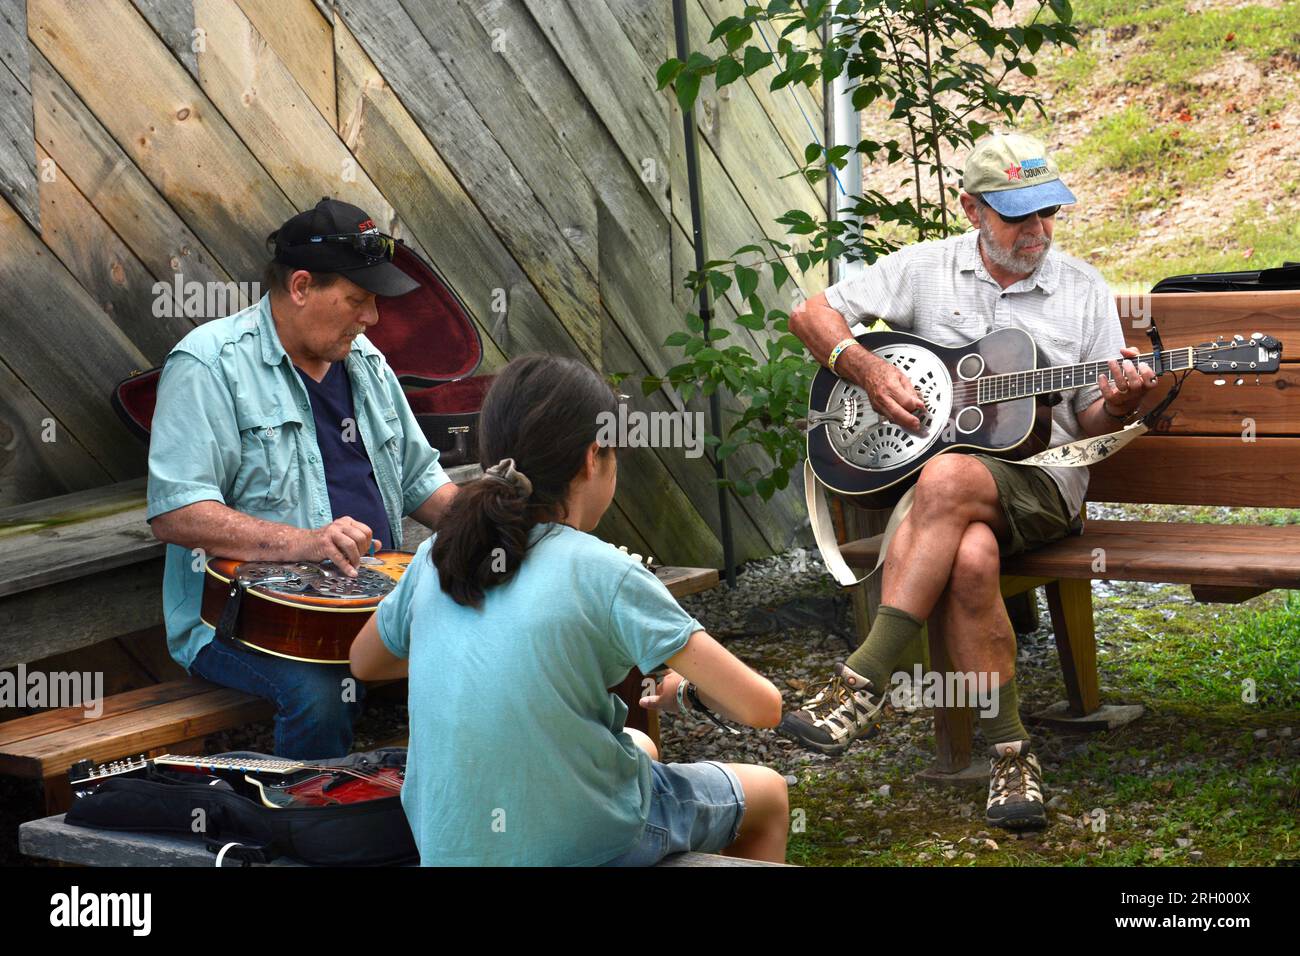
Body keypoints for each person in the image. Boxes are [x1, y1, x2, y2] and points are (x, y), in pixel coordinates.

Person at [781, 132, 1161, 829]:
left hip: (1045, 482)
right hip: (942, 500)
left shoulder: (1082, 289)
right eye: (1019, 215)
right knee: (971, 554)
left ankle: (863, 679)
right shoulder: (926, 269)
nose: (1038, 230)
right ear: (971, 209)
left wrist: (1126, 399)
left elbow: (1095, 418)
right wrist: (868, 369)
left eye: (1049, 213)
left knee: (952, 474)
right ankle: (1012, 755)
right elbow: (809, 313)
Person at [350, 354, 790, 865]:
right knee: (769, 792)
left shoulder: (437, 553)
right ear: (592, 457)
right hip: (579, 839)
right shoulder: (605, 571)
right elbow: (763, 707)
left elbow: (365, 662)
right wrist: (685, 692)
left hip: (449, 843)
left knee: (637, 747)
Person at [147, 198, 460, 760]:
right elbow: (177, 513)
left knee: (493, 642)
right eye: (358, 300)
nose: (372, 319)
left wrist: (498, 527)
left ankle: (444, 819)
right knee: (320, 696)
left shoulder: (364, 361)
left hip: (368, 604)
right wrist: (307, 543)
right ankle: (309, 833)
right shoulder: (208, 365)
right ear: (299, 286)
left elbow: (419, 479)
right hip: (243, 623)